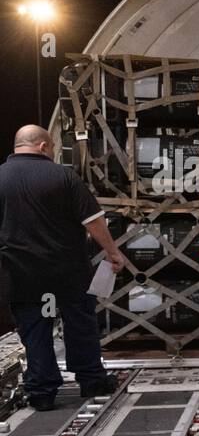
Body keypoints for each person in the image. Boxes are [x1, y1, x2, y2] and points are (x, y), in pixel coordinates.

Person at [0, 126, 127, 410]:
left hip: (21, 273)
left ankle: (42, 391)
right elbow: (92, 220)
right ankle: (91, 379)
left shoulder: (1, 177)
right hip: (66, 269)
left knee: (35, 329)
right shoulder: (62, 176)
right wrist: (113, 252)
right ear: (44, 146)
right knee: (79, 322)